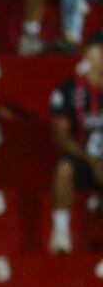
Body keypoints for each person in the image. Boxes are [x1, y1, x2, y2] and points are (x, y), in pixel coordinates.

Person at [48, 33, 103, 254]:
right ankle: (61, 233)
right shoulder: (69, 90)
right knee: (64, 169)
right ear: (87, 54)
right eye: (99, 50)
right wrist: (92, 162)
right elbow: (59, 135)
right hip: (83, 159)